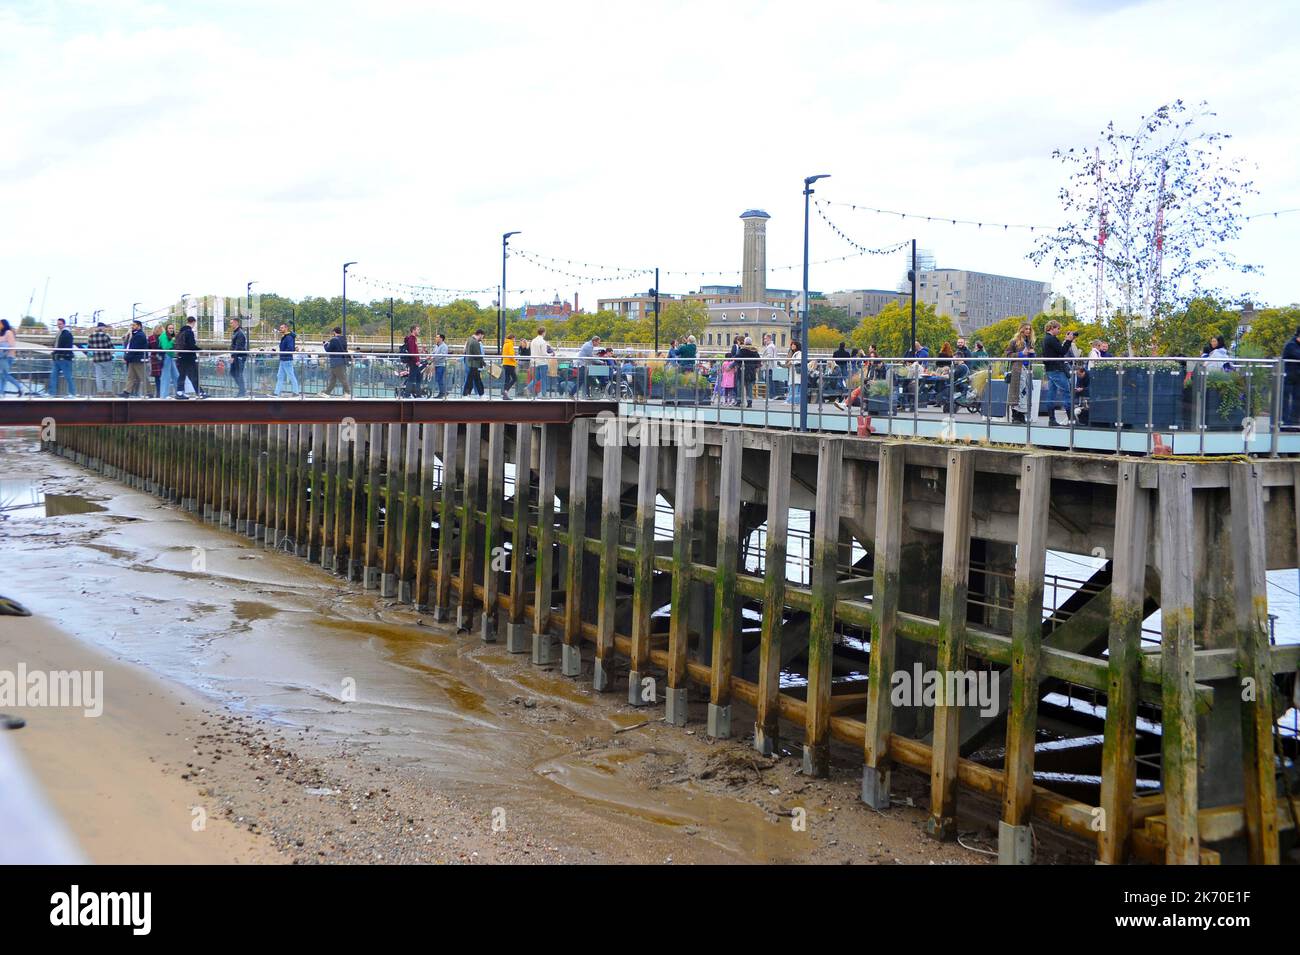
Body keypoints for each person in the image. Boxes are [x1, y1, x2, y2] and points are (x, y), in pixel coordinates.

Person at [1040, 320, 1073, 425]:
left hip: (1050, 369)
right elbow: (1062, 351)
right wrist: (1068, 341)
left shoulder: (1046, 339)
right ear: (1051, 328)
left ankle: (1052, 419)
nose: (1059, 331)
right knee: (1067, 392)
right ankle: (1071, 420)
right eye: (1058, 328)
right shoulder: (1051, 339)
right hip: (1056, 369)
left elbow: (1057, 350)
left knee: (1051, 394)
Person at [1005, 323, 1035, 422]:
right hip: (1018, 369)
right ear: (1021, 329)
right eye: (1026, 329)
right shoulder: (1014, 341)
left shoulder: (1029, 342)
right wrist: (1021, 353)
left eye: (1029, 329)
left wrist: (1032, 354)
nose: (1028, 331)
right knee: (1016, 392)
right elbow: (1008, 355)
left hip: (1027, 369)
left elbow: (1032, 357)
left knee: (1025, 392)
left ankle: (1022, 415)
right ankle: (1015, 416)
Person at [174, 316, 204, 398]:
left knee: (182, 375)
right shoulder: (189, 332)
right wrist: (199, 349)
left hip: (181, 357)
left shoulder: (180, 332)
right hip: (189, 358)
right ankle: (200, 393)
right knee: (194, 375)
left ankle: (179, 392)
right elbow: (191, 345)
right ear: (194, 322)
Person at [84, 321, 115, 396]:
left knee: (98, 376)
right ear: (103, 327)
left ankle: (100, 392)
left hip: (96, 359)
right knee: (109, 376)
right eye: (104, 327)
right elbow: (111, 348)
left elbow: (89, 348)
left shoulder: (91, 336)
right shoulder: (106, 336)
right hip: (107, 358)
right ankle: (108, 392)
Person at [48, 317, 76, 397]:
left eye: (60, 324)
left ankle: (72, 393)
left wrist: (60, 353)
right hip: (58, 358)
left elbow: (67, 347)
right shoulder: (61, 333)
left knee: (67, 377)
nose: (58, 326)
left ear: (64, 324)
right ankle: (51, 393)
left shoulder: (66, 334)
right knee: (54, 376)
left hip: (63, 359)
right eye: (58, 324)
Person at [122, 320, 150, 398]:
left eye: (134, 325)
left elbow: (134, 348)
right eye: (132, 325)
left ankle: (149, 392)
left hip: (138, 359)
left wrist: (126, 358)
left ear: (139, 326)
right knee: (130, 376)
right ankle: (126, 392)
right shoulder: (136, 335)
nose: (132, 327)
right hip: (134, 359)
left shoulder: (139, 335)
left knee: (142, 376)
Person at [320, 326, 350, 396]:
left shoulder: (334, 340)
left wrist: (325, 345)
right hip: (342, 361)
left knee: (343, 378)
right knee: (333, 379)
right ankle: (327, 393)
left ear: (334, 332)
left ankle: (348, 393)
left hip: (336, 362)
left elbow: (328, 350)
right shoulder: (344, 339)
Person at [273, 323, 299, 397]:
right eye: (280, 327)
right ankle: (276, 393)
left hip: (286, 359)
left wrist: (283, 353)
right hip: (283, 359)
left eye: (282, 328)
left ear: (286, 328)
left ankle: (296, 392)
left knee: (291, 376)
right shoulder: (285, 337)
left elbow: (290, 348)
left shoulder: (288, 337)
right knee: (280, 376)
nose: (280, 329)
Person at [0, 318, 24, 397]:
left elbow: (11, 345)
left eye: (0, 324)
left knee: (4, 375)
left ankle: (19, 386)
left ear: (4, 324)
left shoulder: (8, 332)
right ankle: (1, 392)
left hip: (8, 357)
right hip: (1, 358)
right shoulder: (1, 333)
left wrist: (4, 352)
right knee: (2, 375)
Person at [1282, 328, 1300, 429]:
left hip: (1297, 378)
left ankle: (1294, 423)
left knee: (1297, 401)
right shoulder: (1291, 345)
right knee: (1286, 400)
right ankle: (1285, 423)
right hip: (1289, 378)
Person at [737, 335, 760, 407]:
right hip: (751, 371)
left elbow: (736, 358)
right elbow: (759, 361)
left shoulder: (742, 350)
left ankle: (739, 401)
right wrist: (755, 367)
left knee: (740, 386)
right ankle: (749, 402)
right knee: (749, 387)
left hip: (742, 370)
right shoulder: (755, 350)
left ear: (745, 342)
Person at [229, 317, 249, 397]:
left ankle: (242, 391)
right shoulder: (236, 332)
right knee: (234, 373)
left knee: (238, 374)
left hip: (239, 357)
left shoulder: (240, 333)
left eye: (232, 323)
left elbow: (238, 346)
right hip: (237, 356)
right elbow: (234, 346)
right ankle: (242, 390)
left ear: (236, 323)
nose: (231, 324)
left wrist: (233, 357)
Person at [463, 328, 486, 396]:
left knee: (475, 380)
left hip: (470, 363)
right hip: (474, 364)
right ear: (480, 334)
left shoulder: (469, 340)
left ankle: (480, 394)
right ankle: (466, 394)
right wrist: (484, 363)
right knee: (472, 380)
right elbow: (478, 355)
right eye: (482, 336)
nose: (482, 338)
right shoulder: (475, 342)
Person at [159, 322, 178, 397]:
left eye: (172, 328)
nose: (171, 330)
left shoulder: (171, 336)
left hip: (170, 356)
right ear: (166, 329)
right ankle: (163, 395)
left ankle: (179, 392)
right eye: (170, 328)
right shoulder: (163, 335)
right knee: (166, 376)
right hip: (166, 356)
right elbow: (165, 347)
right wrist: (173, 340)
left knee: (176, 375)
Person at [402, 325, 422, 397]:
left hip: (414, 361)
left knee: (418, 377)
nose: (419, 331)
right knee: (411, 378)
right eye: (418, 329)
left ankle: (418, 394)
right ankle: (407, 394)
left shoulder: (413, 339)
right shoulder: (412, 339)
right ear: (413, 330)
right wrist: (416, 360)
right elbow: (412, 351)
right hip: (413, 362)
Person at [529, 327, 549, 397]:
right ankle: (544, 395)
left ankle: (528, 388)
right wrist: (550, 355)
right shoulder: (543, 342)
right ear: (543, 333)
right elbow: (544, 353)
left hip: (534, 362)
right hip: (542, 362)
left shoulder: (533, 341)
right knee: (544, 379)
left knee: (536, 378)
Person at [431, 333, 449, 398]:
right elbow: (433, 352)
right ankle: (443, 391)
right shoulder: (436, 346)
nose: (436, 338)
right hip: (436, 364)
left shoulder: (444, 346)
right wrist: (430, 356)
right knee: (438, 379)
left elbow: (442, 355)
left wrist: (434, 358)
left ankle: (442, 392)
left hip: (441, 364)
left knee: (439, 379)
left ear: (441, 338)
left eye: (437, 337)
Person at [786, 340, 803, 405]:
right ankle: (790, 400)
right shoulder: (794, 354)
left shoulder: (799, 353)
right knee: (792, 388)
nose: (792, 346)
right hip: (793, 374)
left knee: (796, 389)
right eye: (791, 344)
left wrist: (791, 362)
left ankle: (793, 401)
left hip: (796, 374)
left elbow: (799, 361)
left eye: (794, 344)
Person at [148, 325, 164, 396]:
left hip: (154, 358)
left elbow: (148, 348)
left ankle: (158, 393)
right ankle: (162, 393)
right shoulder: (164, 337)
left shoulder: (151, 338)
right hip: (163, 357)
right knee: (163, 376)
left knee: (157, 377)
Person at [501, 332, 517, 400]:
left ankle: (505, 394)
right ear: (512, 338)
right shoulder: (510, 344)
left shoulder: (505, 344)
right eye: (514, 339)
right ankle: (505, 391)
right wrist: (515, 360)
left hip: (505, 363)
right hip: (510, 364)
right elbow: (511, 355)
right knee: (514, 378)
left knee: (507, 379)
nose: (515, 341)